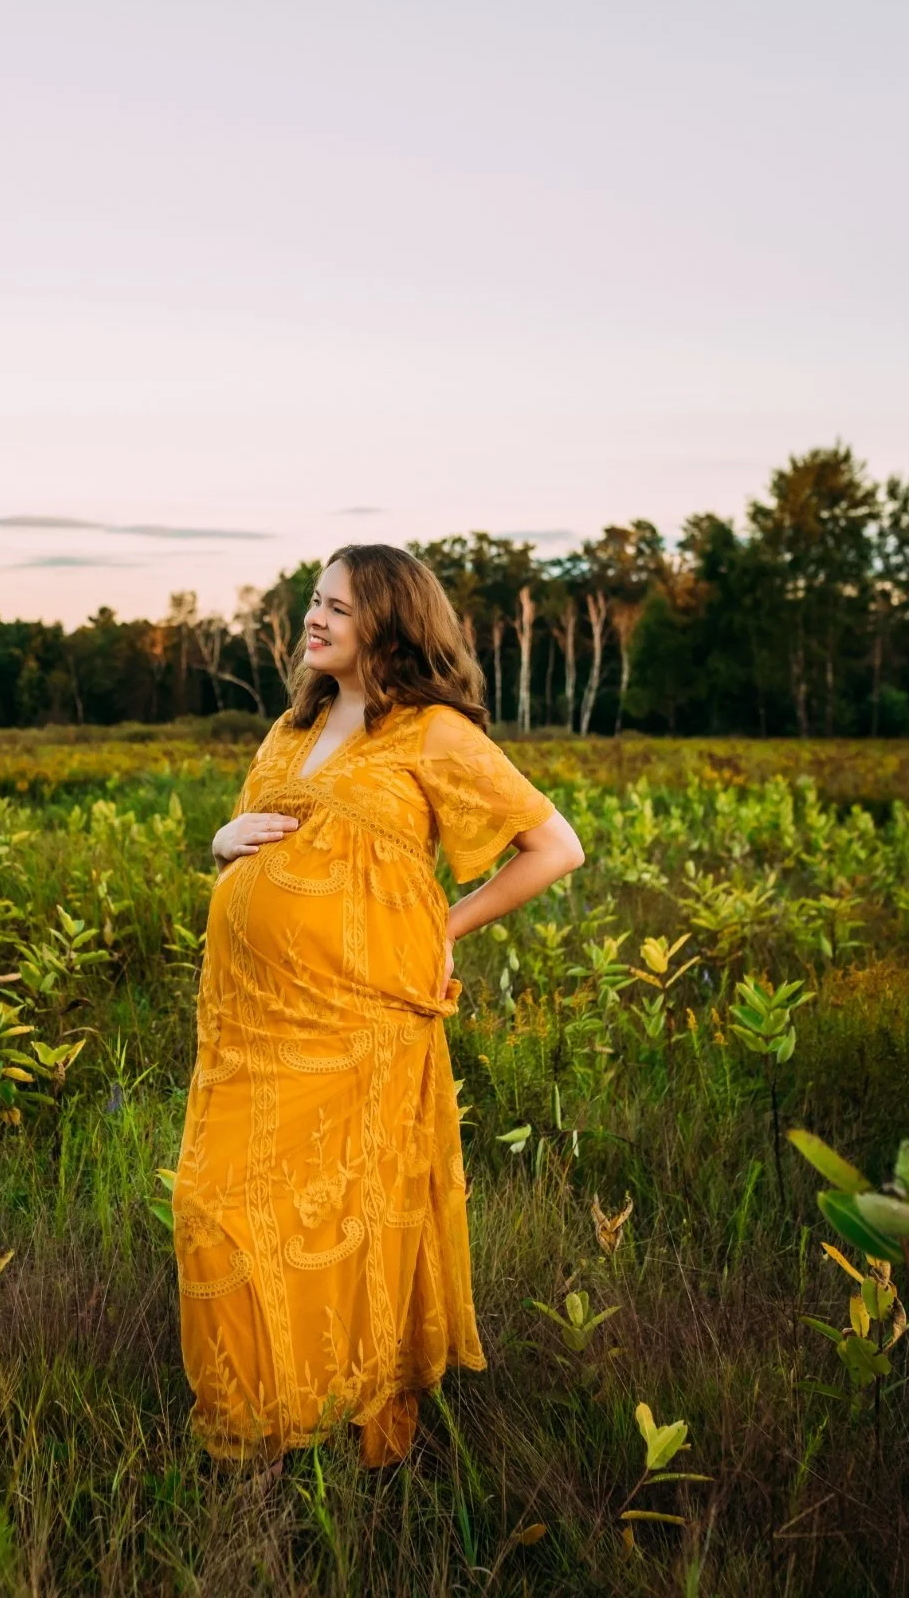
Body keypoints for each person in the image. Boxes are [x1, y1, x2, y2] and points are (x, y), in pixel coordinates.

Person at [174, 543, 585, 1465]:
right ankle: (256, 1414)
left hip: (361, 1023)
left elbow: (554, 848)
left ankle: (326, 1420)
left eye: (340, 609)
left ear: (389, 627)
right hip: (252, 1025)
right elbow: (256, 848)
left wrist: (445, 922)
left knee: (343, 1220)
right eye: (314, 602)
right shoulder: (288, 728)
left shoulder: (432, 733)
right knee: (215, 1211)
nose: (314, 619)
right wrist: (218, 841)